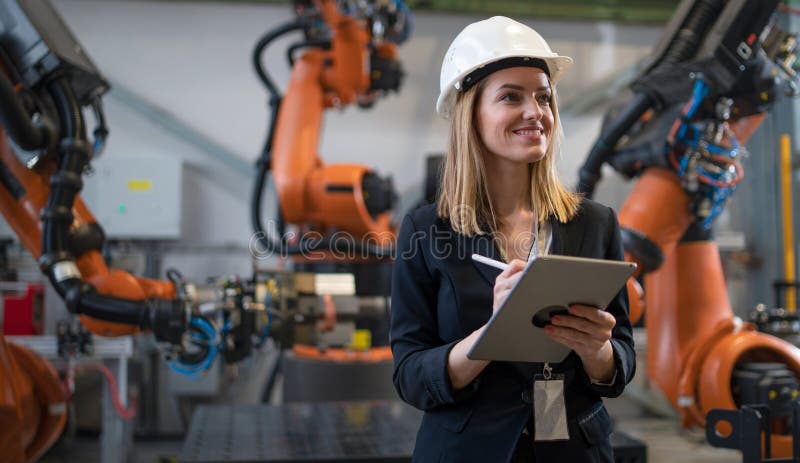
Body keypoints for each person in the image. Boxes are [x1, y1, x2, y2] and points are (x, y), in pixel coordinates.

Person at [389, 16, 635, 463]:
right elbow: (410, 376)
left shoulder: (594, 223)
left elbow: (621, 362)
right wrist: (493, 335)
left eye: (543, 96)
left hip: (572, 451)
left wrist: (597, 350)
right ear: (471, 114)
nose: (535, 111)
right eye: (511, 96)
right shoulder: (426, 231)